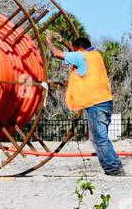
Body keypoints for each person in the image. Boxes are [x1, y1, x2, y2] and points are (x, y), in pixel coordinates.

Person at [47, 32, 124, 176]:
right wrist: (63, 40)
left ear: (78, 49)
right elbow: (77, 53)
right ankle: (113, 168)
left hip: (95, 103)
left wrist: (49, 40)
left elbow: (55, 53)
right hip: (105, 101)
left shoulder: (81, 56)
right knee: (100, 137)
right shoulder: (95, 55)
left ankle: (114, 169)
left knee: (99, 138)